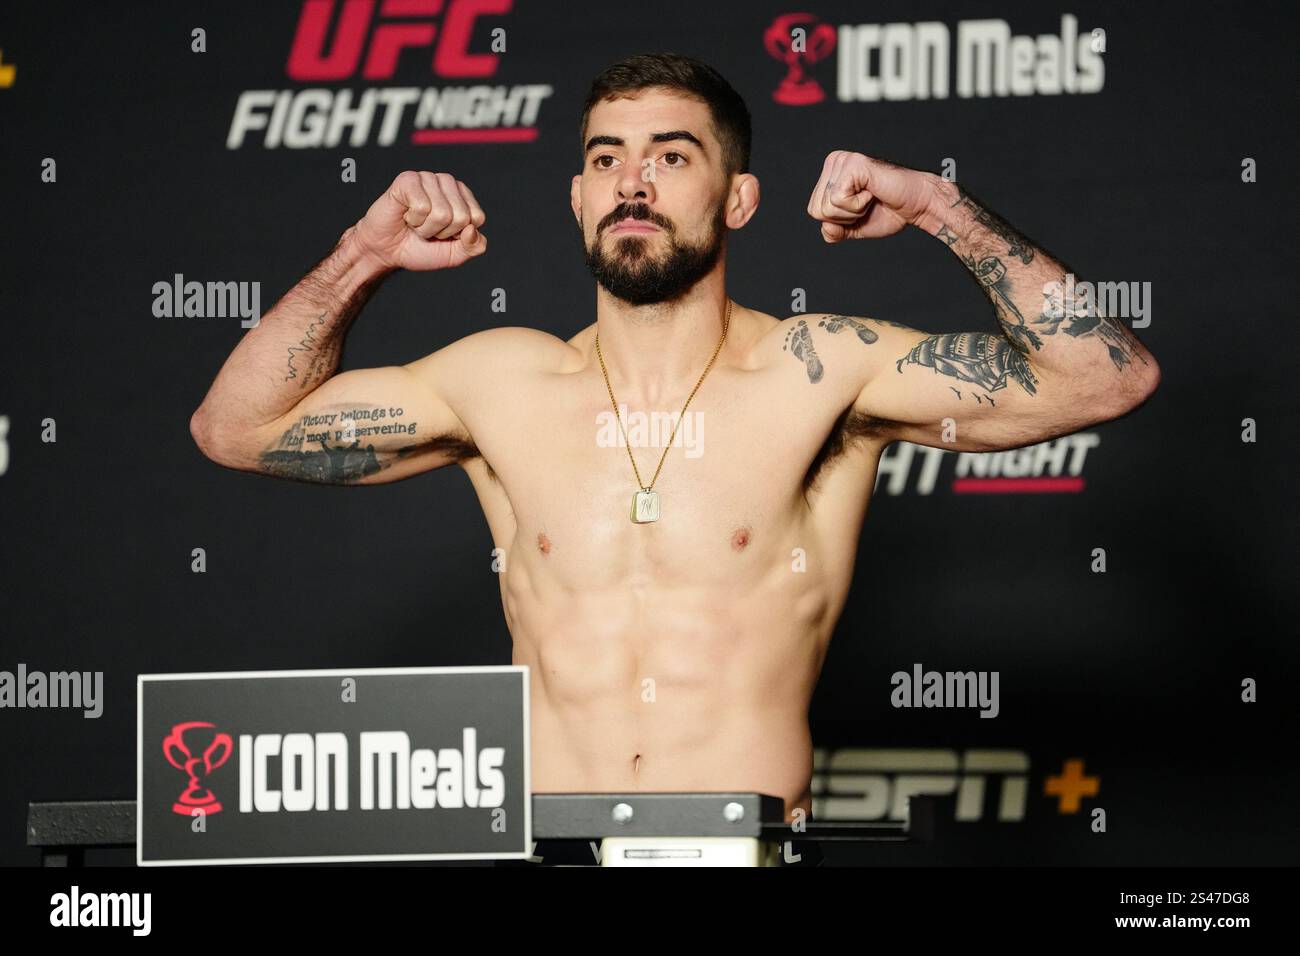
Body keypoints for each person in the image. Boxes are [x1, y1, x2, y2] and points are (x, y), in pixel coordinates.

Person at [189, 53, 1159, 833]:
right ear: (576, 197)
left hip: (743, 849)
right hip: (547, 845)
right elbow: (236, 428)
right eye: (606, 159)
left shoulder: (818, 370)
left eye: (671, 156)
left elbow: (1105, 375)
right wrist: (365, 253)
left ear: (738, 198)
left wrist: (938, 209)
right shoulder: (499, 383)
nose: (633, 181)